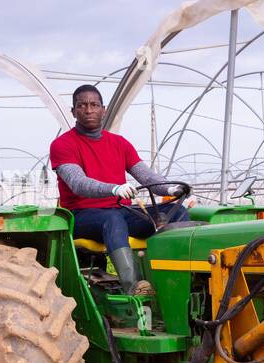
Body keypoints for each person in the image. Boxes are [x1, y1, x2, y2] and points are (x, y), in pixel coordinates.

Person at [49, 84, 193, 296]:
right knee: (113, 220)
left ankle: (179, 280)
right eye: (82, 105)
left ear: (103, 109)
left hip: (120, 211)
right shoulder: (63, 145)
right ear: (74, 112)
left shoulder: (119, 143)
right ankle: (133, 286)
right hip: (81, 216)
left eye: (94, 105)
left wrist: (170, 187)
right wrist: (114, 189)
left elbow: (146, 175)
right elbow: (78, 183)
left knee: (176, 212)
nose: (88, 110)